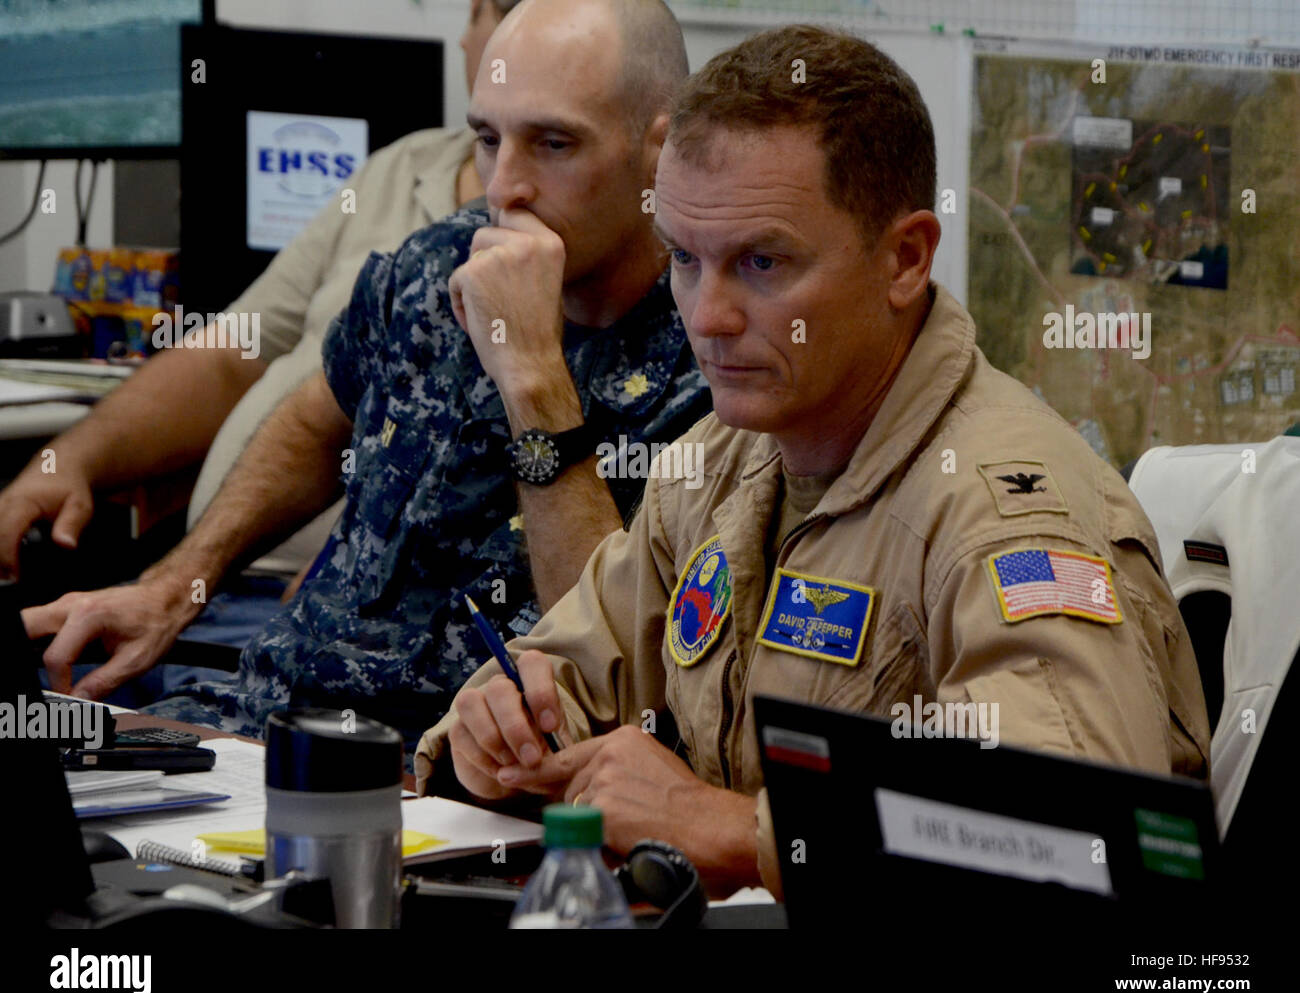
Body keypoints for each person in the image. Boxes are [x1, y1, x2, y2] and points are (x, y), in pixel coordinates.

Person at [414, 24, 1211, 896]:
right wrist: (500, 728)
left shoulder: (1007, 518)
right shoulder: (729, 457)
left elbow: (1066, 839)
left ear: (905, 258)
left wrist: (735, 832)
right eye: (684, 259)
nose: (708, 317)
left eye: (761, 262)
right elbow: (569, 671)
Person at [21, 0, 711, 751]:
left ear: (659, 148)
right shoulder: (432, 264)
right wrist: (172, 588)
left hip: (441, 773)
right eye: (487, 139)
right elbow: (315, 422)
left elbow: (614, 674)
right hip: (259, 719)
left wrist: (533, 375)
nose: (504, 187)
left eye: (553, 143)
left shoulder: (714, 350)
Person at [0, 0, 522, 598]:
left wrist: (365, 573)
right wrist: (70, 461)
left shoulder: (560, 243)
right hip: (199, 584)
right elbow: (228, 355)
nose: (464, 39)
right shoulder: (400, 166)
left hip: (331, 623)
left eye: (492, 10)